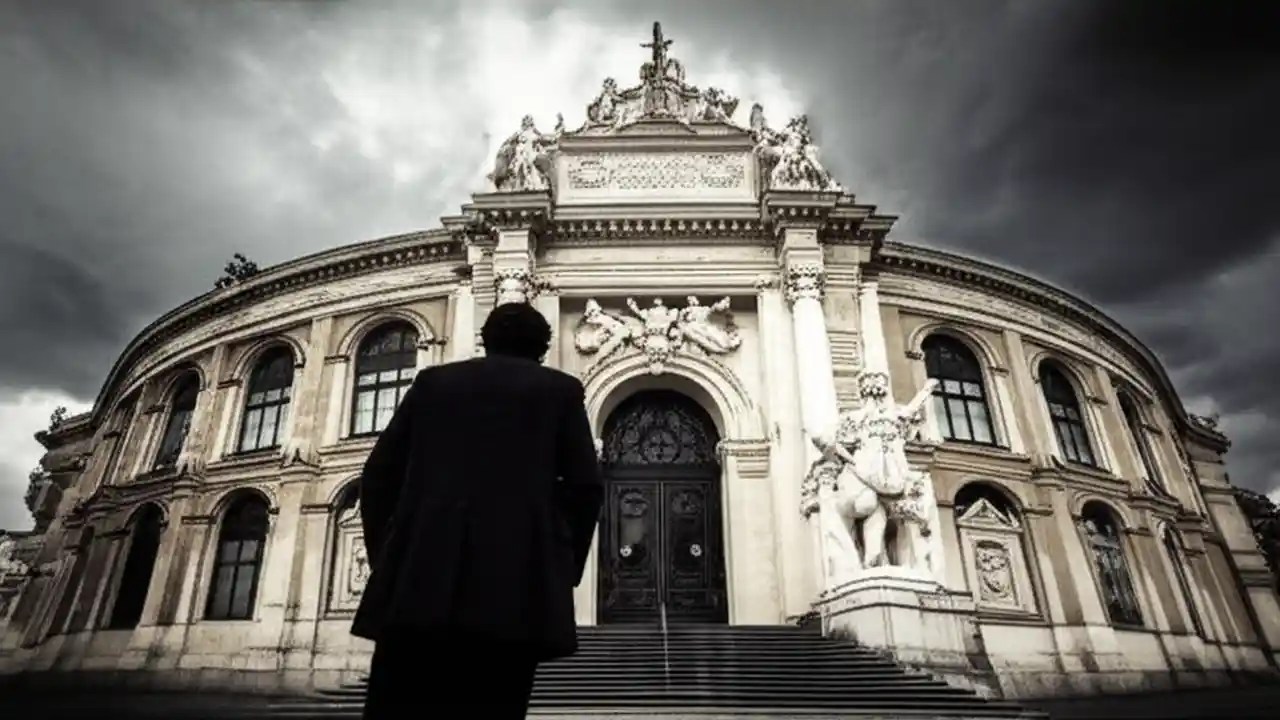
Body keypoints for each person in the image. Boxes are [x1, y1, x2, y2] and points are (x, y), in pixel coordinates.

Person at [351, 302, 604, 718]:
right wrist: (559, 569)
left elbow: (378, 475)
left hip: (417, 585)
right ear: (543, 347)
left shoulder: (432, 384)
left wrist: (390, 557)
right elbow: (584, 489)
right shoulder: (560, 391)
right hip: (512, 594)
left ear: (485, 341)